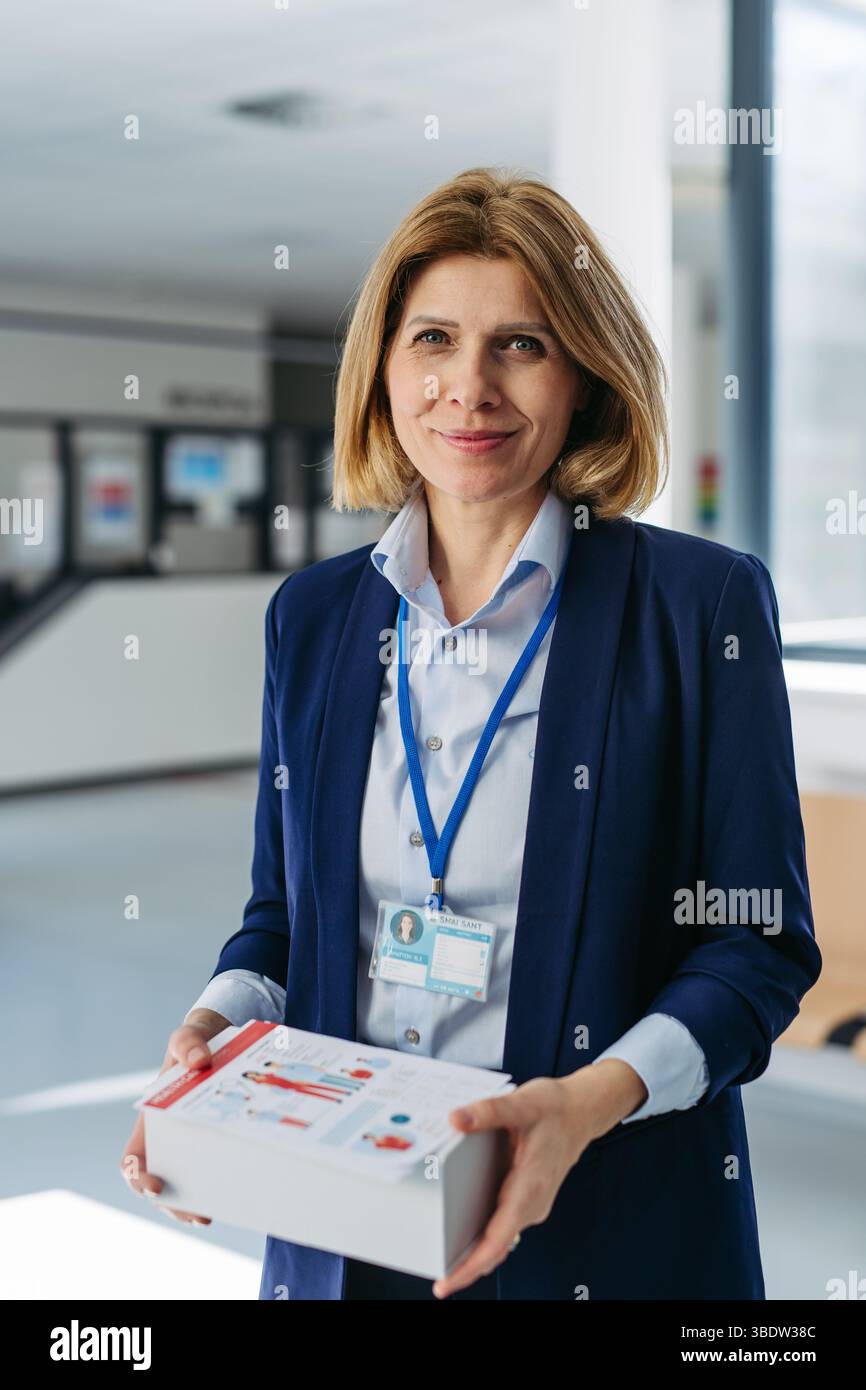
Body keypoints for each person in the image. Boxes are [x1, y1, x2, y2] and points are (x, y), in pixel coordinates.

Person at [121, 167, 821, 1300]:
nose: (468, 387)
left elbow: (755, 948)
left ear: (584, 374)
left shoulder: (696, 607)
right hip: (343, 1216)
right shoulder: (314, 618)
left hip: (596, 1223)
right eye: (433, 338)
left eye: (522, 344)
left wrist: (584, 1103)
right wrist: (212, 1025)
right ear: (384, 367)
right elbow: (280, 924)